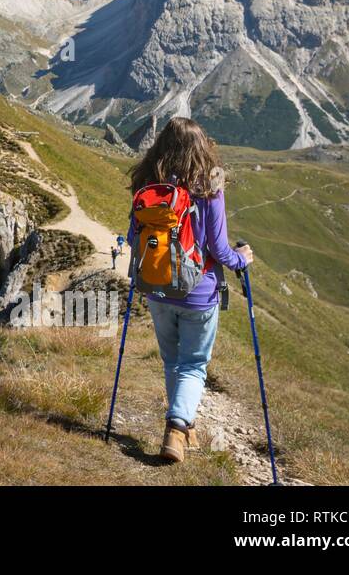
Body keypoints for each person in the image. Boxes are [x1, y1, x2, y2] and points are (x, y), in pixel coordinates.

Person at [127, 117, 254, 464]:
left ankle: (187, 427)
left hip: (156, 287)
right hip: (199, 292)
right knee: (194, 364)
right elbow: (218, 248)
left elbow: (132, 238)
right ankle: (177, 425)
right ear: (202, 147)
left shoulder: (146, 183)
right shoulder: (210, 184)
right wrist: (242, 260)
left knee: (172, 360)